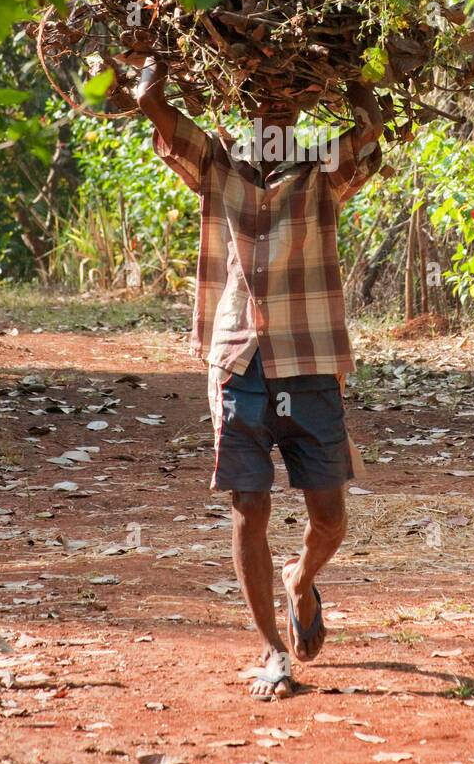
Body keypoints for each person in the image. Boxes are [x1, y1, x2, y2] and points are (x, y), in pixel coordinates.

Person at [131, 55, 385, 699]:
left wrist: (358, 76)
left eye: (285, 96)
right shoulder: (216, 164)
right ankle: (272, 651)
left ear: (301, 102)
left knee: (330, 518)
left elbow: (369, 128)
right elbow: (164, 119)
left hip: (310, 358)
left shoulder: (324, 169)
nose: (272, 108)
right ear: (239, 98)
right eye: (258, 96)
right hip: (237, 358)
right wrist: (149, 82)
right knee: (250, 506)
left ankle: (301, 582)